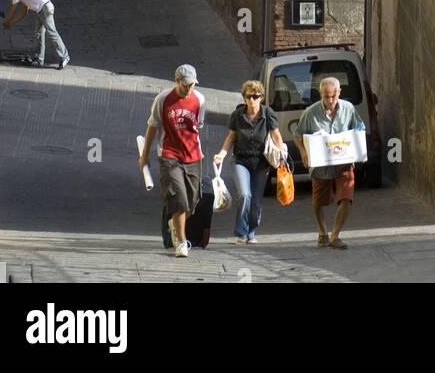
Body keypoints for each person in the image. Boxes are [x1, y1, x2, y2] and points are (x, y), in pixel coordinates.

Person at [138, 65, 206, 259]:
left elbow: (197, 128)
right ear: (177, 82)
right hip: (169, 154)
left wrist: (197, 150)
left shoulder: (200, 100)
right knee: (179, 199)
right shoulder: (163, 100)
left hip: (192, 155)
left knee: (192, 202)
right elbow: (153, 126)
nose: (190, 89)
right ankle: (182, 242)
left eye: (192, 84)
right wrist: (145, 155)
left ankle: (175, 222)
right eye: (186, 85)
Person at [296, 76, 365, 250]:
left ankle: (335, 235)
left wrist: (358, 147)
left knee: (346, 199)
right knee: (319, 201)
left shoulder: (348, 109)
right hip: (321, 166)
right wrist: (304, 153)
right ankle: (322, 231)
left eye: (333, 96)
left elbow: (360, 128)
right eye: (326, 96)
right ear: (321, 94)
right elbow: (298, 135)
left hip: (344, 162)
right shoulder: (310, 113)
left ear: (339, 93)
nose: (330, 100)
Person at [214, 80, 285, 244]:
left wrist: (282, 156)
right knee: (245, 195)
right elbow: (231, 137)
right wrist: (222, 154)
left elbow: (276, 136)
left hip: (261, 162)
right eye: (249, 97)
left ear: (261, 97)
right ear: (244, 98)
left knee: (257, 200)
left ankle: (252, 231)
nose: (252, 100)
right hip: (242, 160)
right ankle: (242, 230)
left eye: (256, 96)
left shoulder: (268, 114)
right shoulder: (238, 115)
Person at [3, 0, 70, 68]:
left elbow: (13, 10)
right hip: (42, 9)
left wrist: (7, 21)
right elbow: (24, 12)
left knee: (52, 32)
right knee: (39, 34)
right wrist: (11, 23)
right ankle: (39, 59)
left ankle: (65, 57)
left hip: (44, 9)